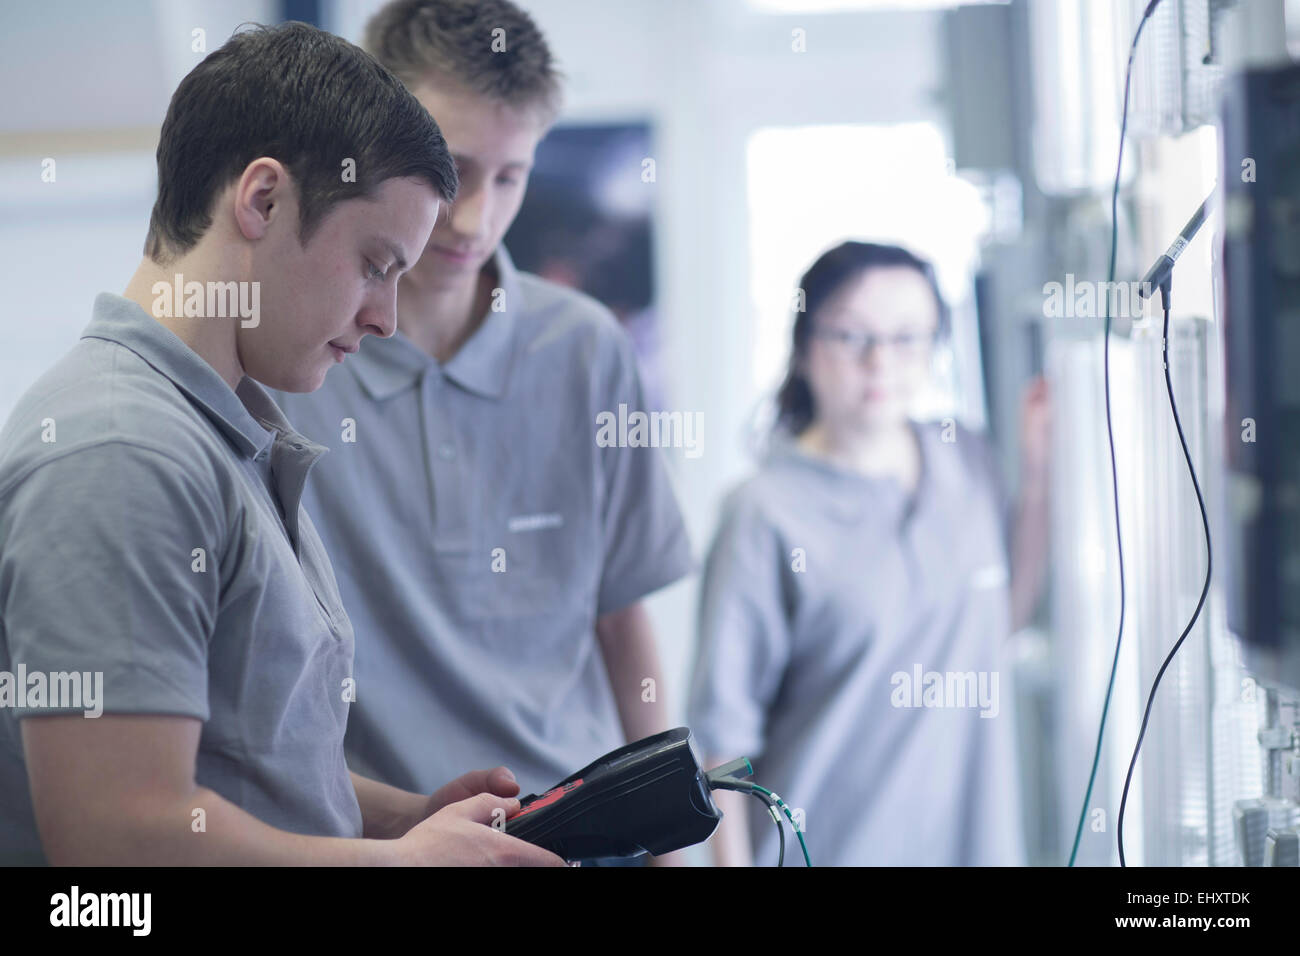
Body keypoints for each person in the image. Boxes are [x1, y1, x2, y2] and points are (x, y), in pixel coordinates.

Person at [0, 21, 563, 866]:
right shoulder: (119, 453)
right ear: (262, 200)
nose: (387, 318)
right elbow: (118, 833)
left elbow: (242, 765)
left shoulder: (224, 434)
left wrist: (402, 820)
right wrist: (403, 866)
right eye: (376, 263)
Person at [272, 0, 694, 865]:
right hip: (374, 843)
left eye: (511, 176)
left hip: (577, 836)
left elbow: (624, 618)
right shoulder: (291, 362)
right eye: (454, 171)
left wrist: (674, 845)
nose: (474, 220)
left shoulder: (586, 349)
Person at [688, 241, 1050, 866]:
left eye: (909, 337)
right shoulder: (764, 512)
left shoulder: (966, 458)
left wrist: (1042, 476)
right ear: (805, 348)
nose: (881, 361)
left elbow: (999, 624)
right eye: (854, 336)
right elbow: (724, 746)